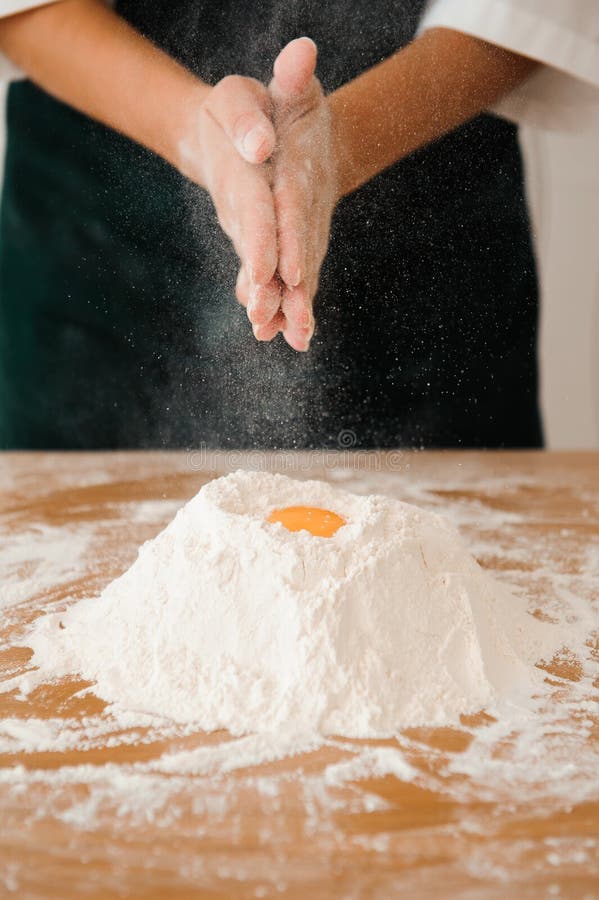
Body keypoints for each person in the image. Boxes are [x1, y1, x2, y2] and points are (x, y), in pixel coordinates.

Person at [0, 1, 597, 450]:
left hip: (430, 207)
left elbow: (524, 12)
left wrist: (338, 146)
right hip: (97, 243)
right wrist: (194, 131)